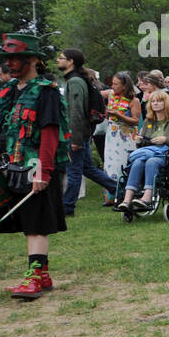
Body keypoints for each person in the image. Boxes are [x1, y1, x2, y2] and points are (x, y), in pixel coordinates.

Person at [0, 34, 71, 299]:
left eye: (16, 58)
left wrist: (43, 172)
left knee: (36, 223)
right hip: (13, 164)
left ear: (33, 59)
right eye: (8, 59)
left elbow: (50, 133)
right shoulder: (10, 91)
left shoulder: (46, 91)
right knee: (27, 221)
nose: (11, 63)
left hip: (37, 164)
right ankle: (43, 274)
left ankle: (34, 278)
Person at [57, 48, 117, 216]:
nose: (58, 60)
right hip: (81, 133)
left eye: (61, 58)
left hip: (77, 134)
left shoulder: (75, 82)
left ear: (70, 62)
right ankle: (121, 191)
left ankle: (67, 207)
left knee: (74, 171)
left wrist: (75, 138)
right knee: (88, 169)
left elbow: (76, 112)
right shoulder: (75, 80)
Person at [116, 89, 169, 211]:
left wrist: (166, 139)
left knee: (152, 161)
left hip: (168, 155)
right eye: (153, 101)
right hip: (148, 153)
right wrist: (139, 141)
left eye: (159, 101)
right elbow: (143, 147)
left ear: (166, 103)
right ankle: (127, 200)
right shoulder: (148, 121)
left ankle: (147, 197)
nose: (155, 103)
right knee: (138, 162)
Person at [102, 71, 141, 196]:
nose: (112, 86)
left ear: (124, 86)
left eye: (115, 84)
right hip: (112, 136)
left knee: (123, 163)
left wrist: (118, 115)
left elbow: (135, 121)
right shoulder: (111, 96)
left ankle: (126, 193)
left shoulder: (134, 101)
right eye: (112, 84)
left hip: (127, 137)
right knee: (110, 163)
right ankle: (110, 195)